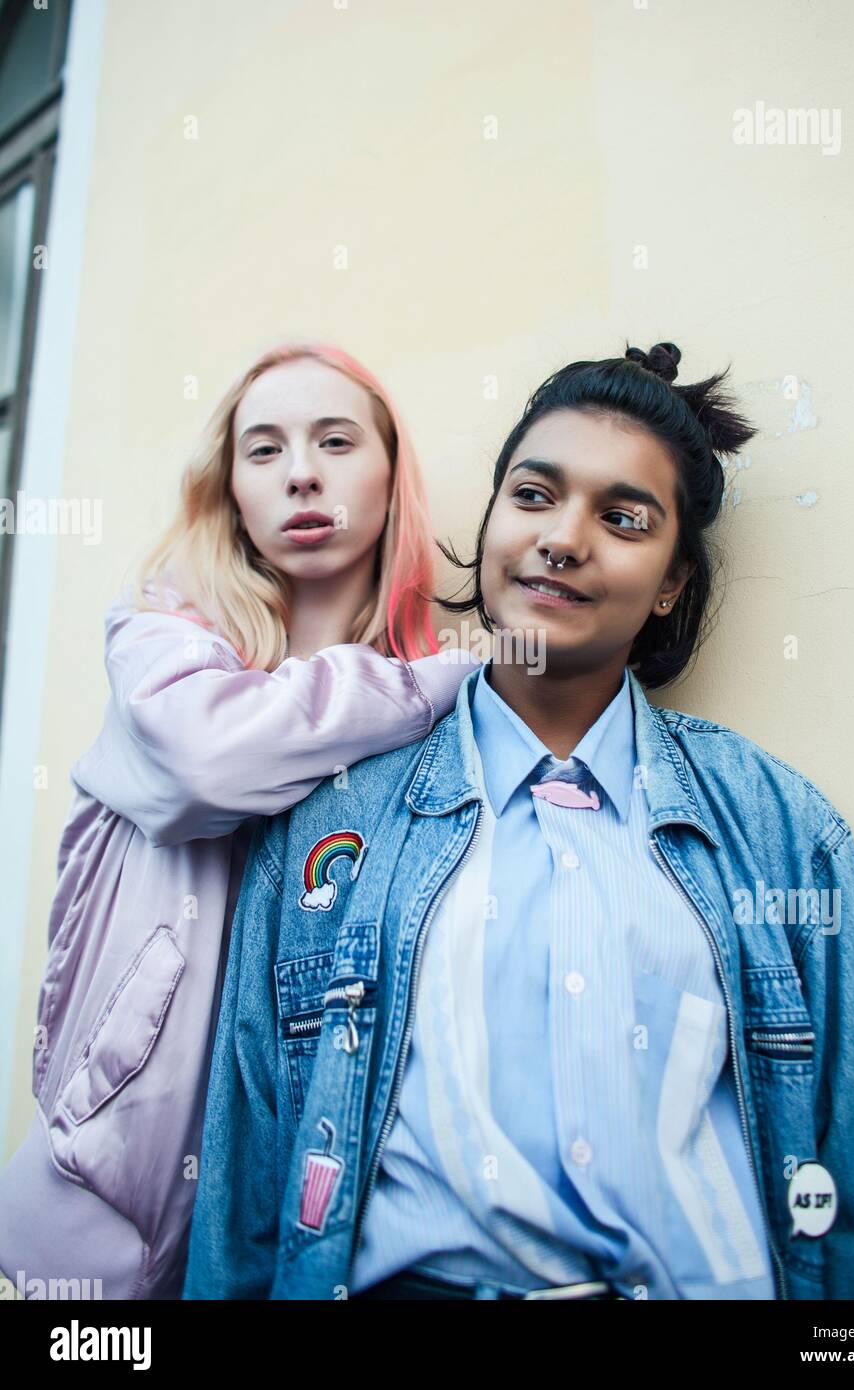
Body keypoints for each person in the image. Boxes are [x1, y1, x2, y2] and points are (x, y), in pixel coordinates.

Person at [182, 341, 854, 1301]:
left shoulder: (782, 832)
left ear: (670, 583)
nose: (563, 538)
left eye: (623, 518)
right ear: (492, 520)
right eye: (533, 496)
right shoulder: (329, 827)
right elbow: (247, 1192)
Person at [0, 342, 479, 1300]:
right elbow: (207, 757)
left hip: (316, 1191)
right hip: (117, 1208)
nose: (301, 471)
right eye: (263, 450)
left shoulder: (438, 721)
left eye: (335, 441)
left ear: (394, 475)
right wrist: (441, 675)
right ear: (231, 492)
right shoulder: (159, 640)